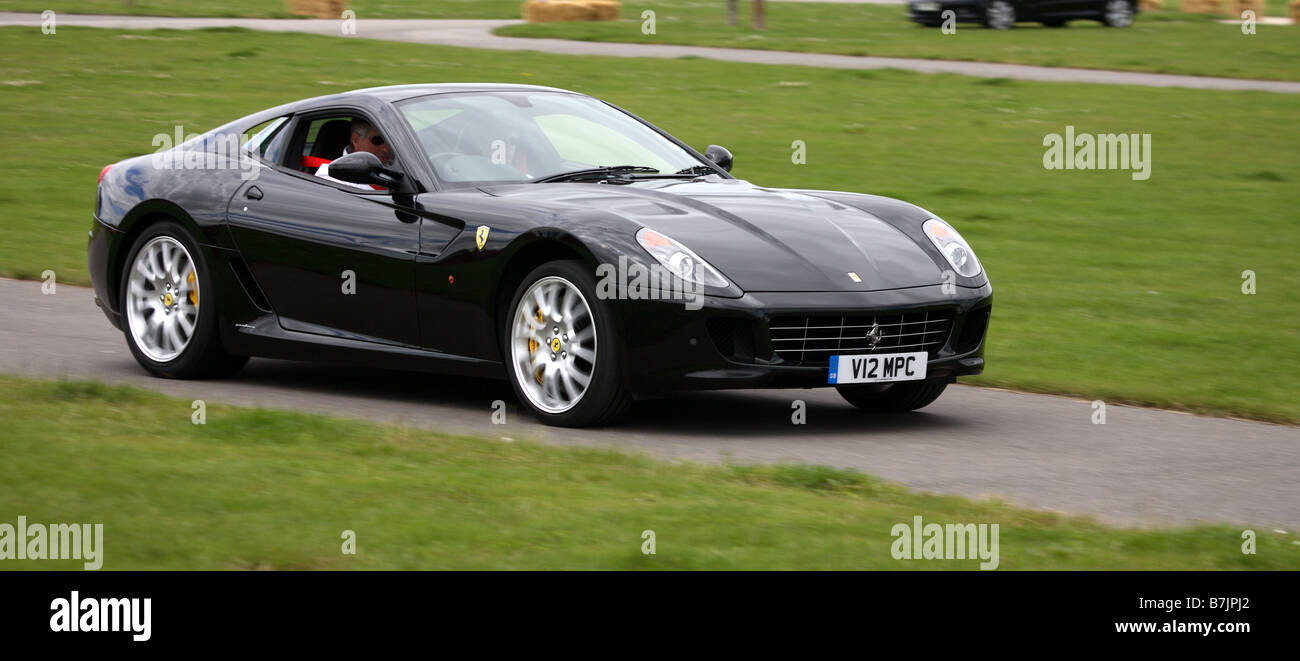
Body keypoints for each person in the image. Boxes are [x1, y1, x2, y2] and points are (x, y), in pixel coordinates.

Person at [315, 118, 393, 189]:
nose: (386, 149)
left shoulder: (399, 162)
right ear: (356, 140)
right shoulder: (331, 177)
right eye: (378, 140)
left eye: (390, 141)